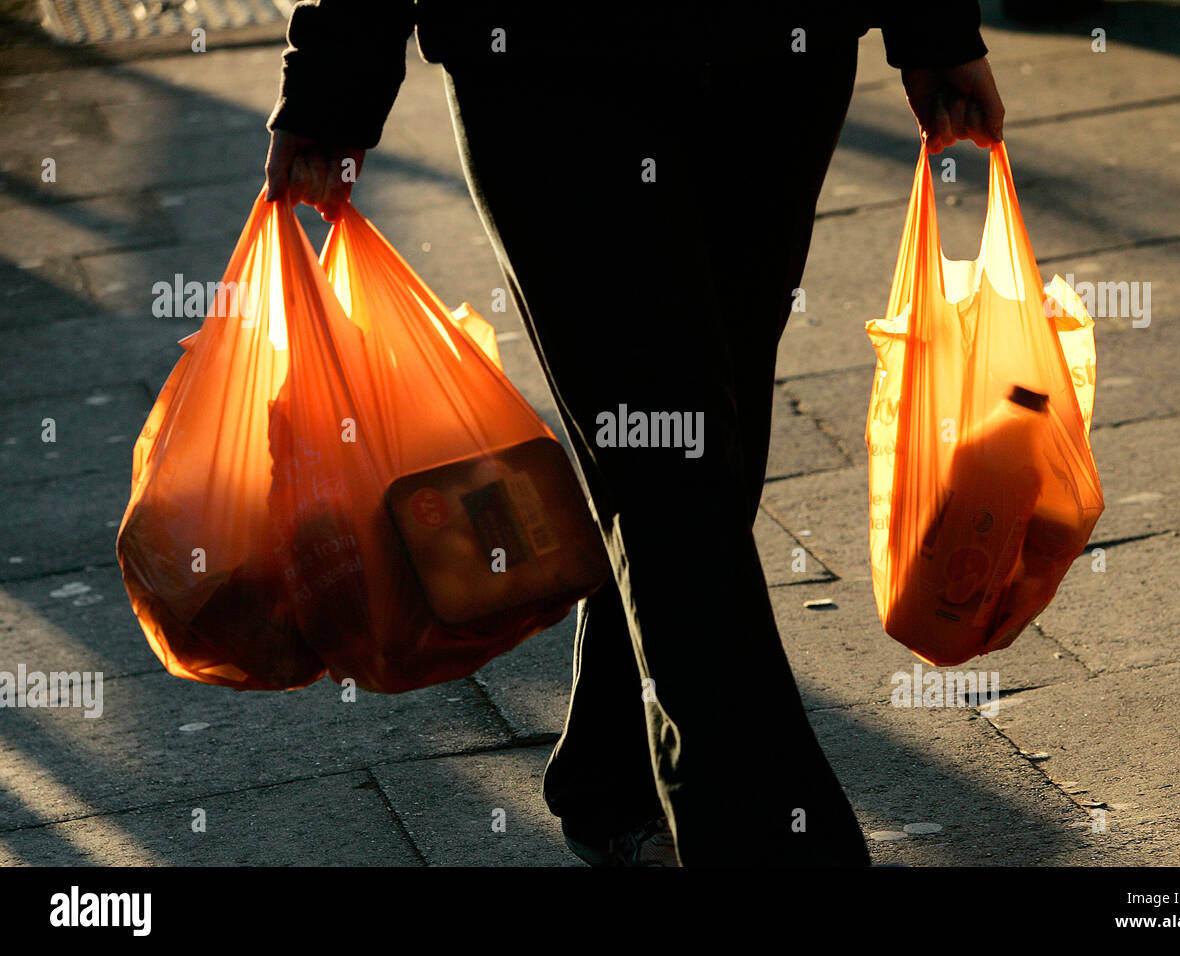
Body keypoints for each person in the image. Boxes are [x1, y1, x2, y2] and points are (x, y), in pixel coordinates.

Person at [265, 1, 1004, 867]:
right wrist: (333, 83)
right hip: (557, 64)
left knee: (708, 445)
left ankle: (615, 771)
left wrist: (935, 26)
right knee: (675, 464)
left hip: (771, 61)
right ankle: (770, 844)